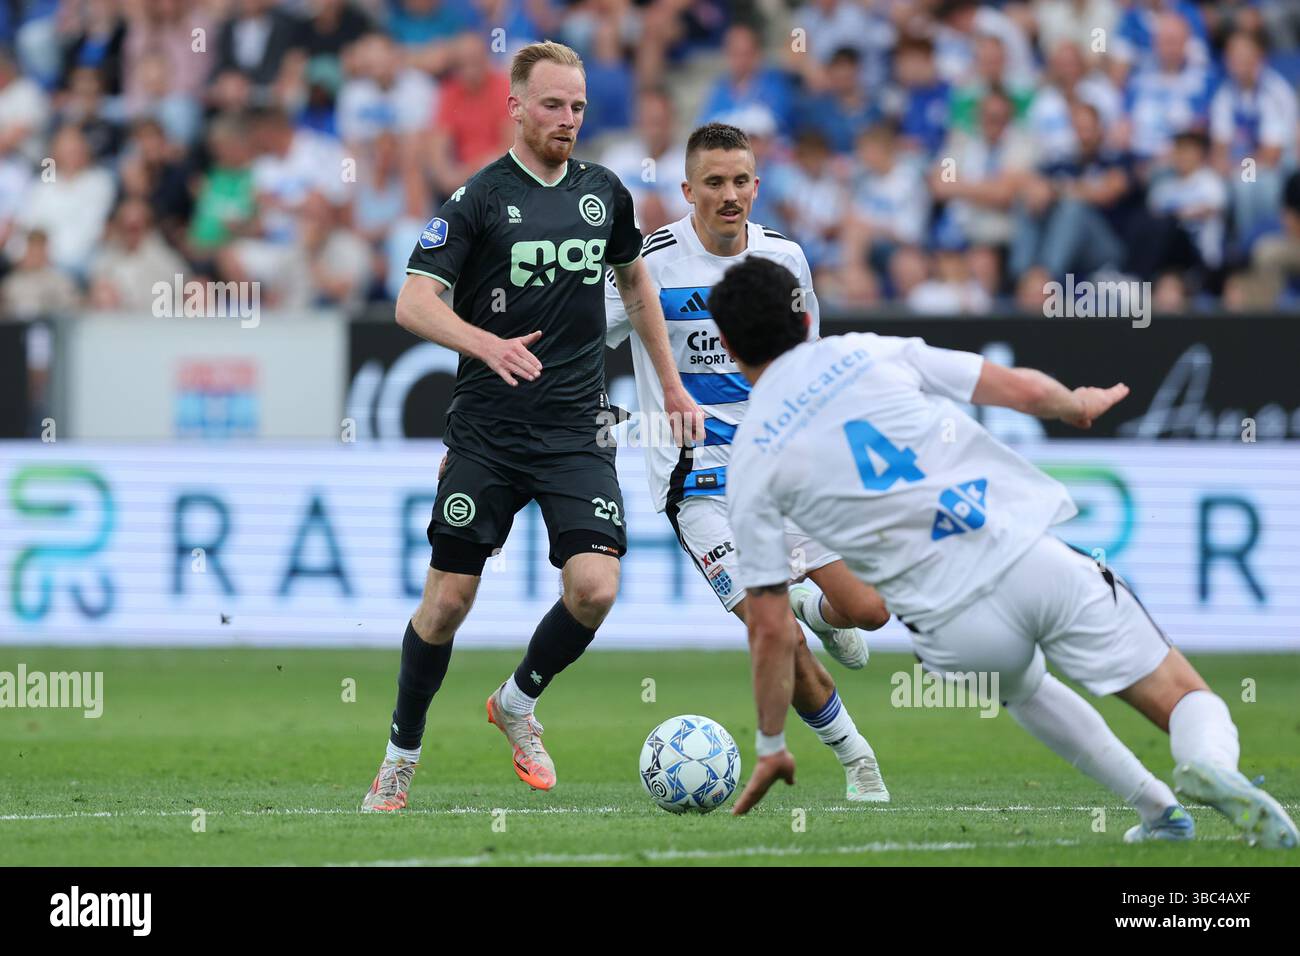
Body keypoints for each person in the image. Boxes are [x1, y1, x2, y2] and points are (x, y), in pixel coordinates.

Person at [710, 255, 1298, 851]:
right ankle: (1208, 761)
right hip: (1021, 558)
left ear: (728, 346)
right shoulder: (866, 351)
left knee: (1024, 691)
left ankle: (1158, 812)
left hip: (948, 630)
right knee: (1182, 695)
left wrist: (769, 744)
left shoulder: (752, 457)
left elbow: (767, 624)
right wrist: (1076, 404)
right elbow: (1014, 388)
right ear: (806, 313)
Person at [361, 40, 701, 811]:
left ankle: (517, 701)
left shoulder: (605, 193)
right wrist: (486, 343)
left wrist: (671, 386)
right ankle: (399, 757)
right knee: (446, 604)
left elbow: (636, 285)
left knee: (595, 588)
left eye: (578, 107)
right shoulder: (478, 199)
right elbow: (413, 302)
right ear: (516, 107)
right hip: (486, 433)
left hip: (577, 431)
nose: (567, 120)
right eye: (552, 105)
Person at [605, 122, 892, 802]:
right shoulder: (650, 261)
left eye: (740, 181)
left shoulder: (785, 259)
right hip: (698, 478)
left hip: (782, 468)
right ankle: (859, 762)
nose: (729, 195)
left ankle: (820, 611)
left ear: (756, 185)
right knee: (774, 631)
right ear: (687, 190)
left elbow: (806, 367)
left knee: (871, 611)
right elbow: (577, 338)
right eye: (714, 183)